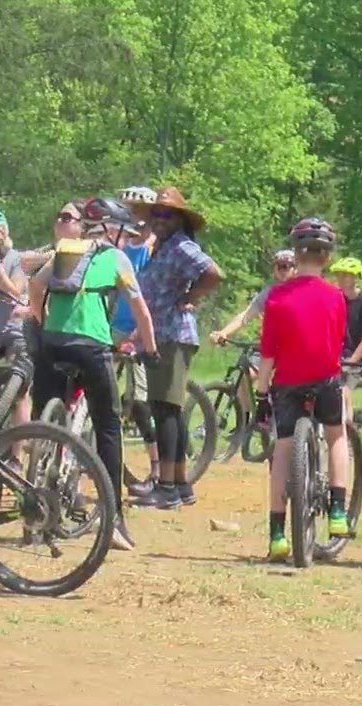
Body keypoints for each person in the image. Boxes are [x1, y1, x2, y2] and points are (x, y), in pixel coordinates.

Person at [27, 197, 159, 551]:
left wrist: (41, 324)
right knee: (108, 426)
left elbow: (36, 288)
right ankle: (112, 518)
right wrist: (151, 348)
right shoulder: (113, 257)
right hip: (91, 347)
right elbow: (140, 309)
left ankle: (35, 498)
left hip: (52, 344)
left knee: (45, 420)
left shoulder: (63, 252)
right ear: (110, 230)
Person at [254, 218, 349, 561]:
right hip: (325, 379)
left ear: (295, 254)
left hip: (287, 383)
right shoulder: (337, 296)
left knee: (282, 449)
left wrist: (261, 393)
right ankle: (338, 510)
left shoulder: (277, 296)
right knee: (337, 435)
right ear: (327, 258)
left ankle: (278, 533)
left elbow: (268, 352)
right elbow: (337, 342)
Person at [130, 187, 223, 510]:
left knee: (165, 410)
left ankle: (167, 487)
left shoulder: (182, 246)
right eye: (156, 213)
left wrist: (190, 298)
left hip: (174, 334)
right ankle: (181, 484)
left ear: (179, 219)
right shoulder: (162, 247)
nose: (159, 219)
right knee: (168, 409)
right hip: (162, 335)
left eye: (167, 214)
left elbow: (213, 273)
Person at [209, 248, 297, 429]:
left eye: (287, 267)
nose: (282, 270)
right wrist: (224, 332)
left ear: (295, 269)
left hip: (292, 351)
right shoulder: (268, 293)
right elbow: (245, 316)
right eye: (279, 266)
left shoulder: (300, 292)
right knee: (244, 377)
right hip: (268, 348)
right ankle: (248, 421)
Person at [113, 186, 161, 492]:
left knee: (141, 401)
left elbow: (153, 295)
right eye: (129, 208)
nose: (134, 214)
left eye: (139, 209)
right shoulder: (119, 243)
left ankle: (156, 466)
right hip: (114, 327)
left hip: (140, 330)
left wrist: (139, 333)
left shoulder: (152, 248)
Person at [329, 256, 362, 422]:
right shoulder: (335, 299)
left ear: (355, 277)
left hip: (353, 358)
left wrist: (352, 361)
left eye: (345, 275)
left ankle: (347, 435)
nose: (341, 278)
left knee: (343, 392)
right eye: (339, 274)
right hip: (334, 354)